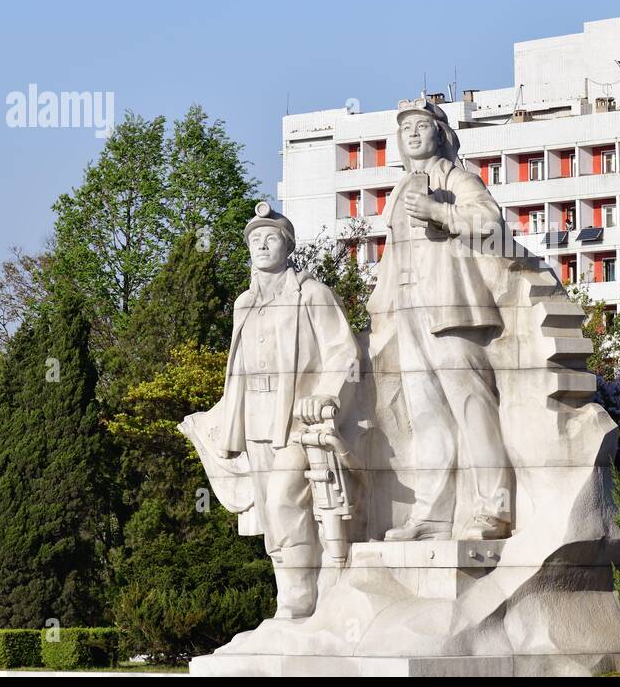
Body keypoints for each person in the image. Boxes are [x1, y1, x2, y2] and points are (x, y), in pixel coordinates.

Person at [181, 201, 359, 618]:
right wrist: (217, 420)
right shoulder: (244, 302)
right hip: (255, 420)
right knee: (269, 511)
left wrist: (328, 395)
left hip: (297, 420)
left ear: (288, 246)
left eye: (271, 238)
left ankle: (301, 598)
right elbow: (236, 372)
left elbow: (343, 353)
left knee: (283, 501)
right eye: (255, 240)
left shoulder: (312, 294)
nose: (262, 245)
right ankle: (290, 597)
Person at [368, 97, 514, 542]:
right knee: (426, 414)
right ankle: (432, 515)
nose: (412, 133)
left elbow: (492, 223)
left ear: (440, 133)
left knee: (472, 405)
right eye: (405, 128)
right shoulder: (396, 191)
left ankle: (495, 508)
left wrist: (439, 212)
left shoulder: (459, 179)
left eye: (421, 125)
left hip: (451, 308)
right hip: (407, 309)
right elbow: (392, 258)